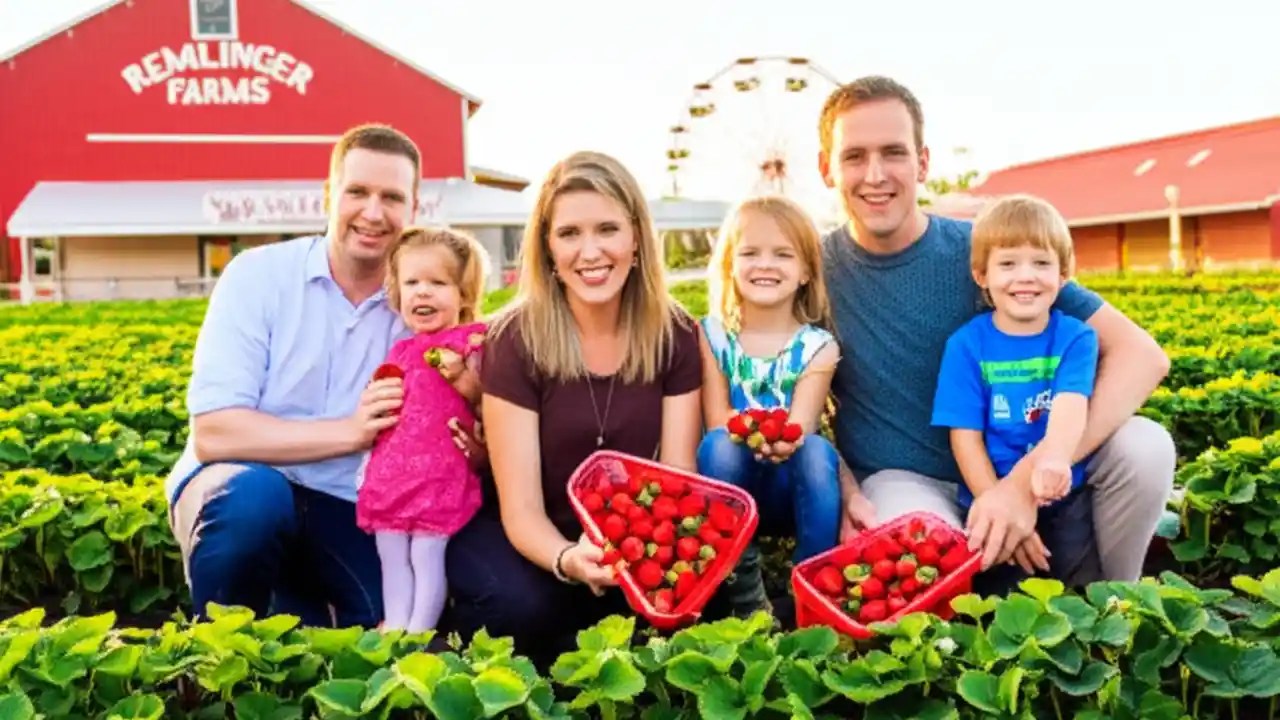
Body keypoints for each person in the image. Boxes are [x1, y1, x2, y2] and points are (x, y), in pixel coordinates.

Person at [816, 75, 1175, 583]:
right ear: (826, 168)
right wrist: (847, 492)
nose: (875, 174)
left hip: (1023, 460)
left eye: (893, 152)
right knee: (910, 543)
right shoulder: (812, 274)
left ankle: (1118, 605)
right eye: (854, 156)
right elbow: (780, 401)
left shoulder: (989, 253)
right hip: (908, 483)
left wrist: (1023, 485)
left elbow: (1142, 356)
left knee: (1146, 447)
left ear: (922, 163)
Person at [164, 123, 477, 627]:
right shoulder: (258, 275)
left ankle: (298, 607)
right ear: (329, 195)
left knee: (386, 623)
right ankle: (213, 661)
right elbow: (214, 433)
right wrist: (350, 433)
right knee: (251, 509)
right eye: (357, 192)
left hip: (350, 503)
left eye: (391, 197)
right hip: (248, 483)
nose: (373, 213)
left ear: (413, 209)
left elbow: (467, 408)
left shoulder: (422, 309)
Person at [441, 150, 703, 666]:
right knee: (526, 606)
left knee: (676, 610)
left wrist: (638, 564)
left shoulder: (675, 334)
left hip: (622, 535)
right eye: (569, 234)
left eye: (607, 229)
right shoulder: (516, 338)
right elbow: (520, 510)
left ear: (636, 239)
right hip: (522, 534)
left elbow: (677, 481)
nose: (590, 252)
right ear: (546, 246)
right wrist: (567, 559)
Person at [931, 194, 1101, 589]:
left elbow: (1071, 405)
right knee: (998, 594)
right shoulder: (966, 345)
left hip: (1060, 491)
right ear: (982, 275)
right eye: (1008, 264)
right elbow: (965, 437)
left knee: (1075, 586)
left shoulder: (1076, 337)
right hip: (986, 490)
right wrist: (997, 505)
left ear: (1063, 274)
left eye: (1041, 263)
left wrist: (1056, 459)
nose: (1025, 276)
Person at [694, 195, 844, 617]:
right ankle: (741, 587)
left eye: (783, 254)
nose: (765, 265)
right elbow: (716, 415)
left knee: (817, 452)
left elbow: (802, 427)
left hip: (787, 481)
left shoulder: (818, 347)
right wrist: (754, 434)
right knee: (719, 443)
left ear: (805, 272)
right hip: (731, 479)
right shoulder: (714, 336)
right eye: (750, 253)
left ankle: (811, 588)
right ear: (730, 266)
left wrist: (783, 441)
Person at [355, 226, 490, 633]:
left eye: (438, 282)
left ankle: (419, 632)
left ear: (464, 294)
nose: (423, 292)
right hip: (394, 475)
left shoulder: (471, 343)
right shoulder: (399, 350)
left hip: (439, 475)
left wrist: (465, 379)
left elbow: (488, 402)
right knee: (391, 553)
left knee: (427, 555)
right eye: (412, 282)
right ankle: (395, 626)